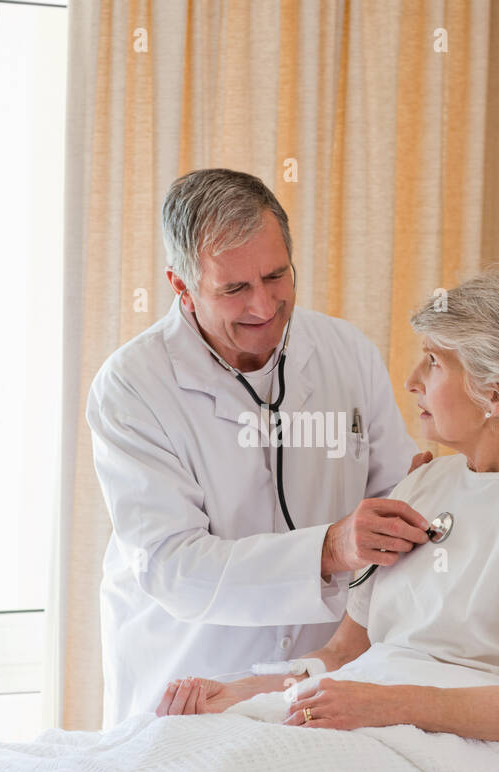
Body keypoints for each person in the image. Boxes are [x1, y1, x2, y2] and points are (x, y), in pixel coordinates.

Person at [159, 267, 499, 754]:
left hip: (481, 751)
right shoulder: (423, 484)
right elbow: (344, 655)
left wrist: (389, 706)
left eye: (433, 362)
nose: (412, 382)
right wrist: (242, 691)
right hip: (380, 730)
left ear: (496, 395)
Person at [86, 169, 432, 727]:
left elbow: (394, 495)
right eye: (234, 289)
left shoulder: (346, 353)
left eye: (276, 276)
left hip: (320, 688)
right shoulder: (133, 386)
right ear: (182, 287)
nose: (264, 305)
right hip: (192, 677)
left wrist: (426, 500)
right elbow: (174, 565)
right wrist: (330, 549)